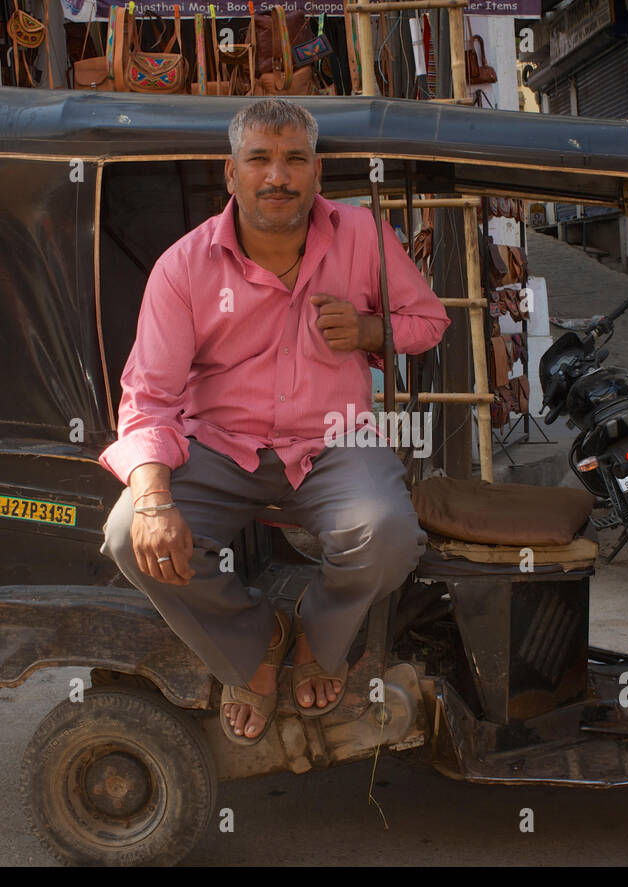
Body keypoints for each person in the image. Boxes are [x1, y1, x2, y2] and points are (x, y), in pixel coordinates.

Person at [98, 100, 450, 744]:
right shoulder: (184, 266)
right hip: (219, 446)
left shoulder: (363, 236)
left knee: (389, 533)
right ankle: (257, 646)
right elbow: (147, 397)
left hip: (333, 441)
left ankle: (319, 637)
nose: (277, 176)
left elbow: (429, 322)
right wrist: (150, 499)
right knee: (130, 535)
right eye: (259, 159)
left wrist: (371, 328)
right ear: (231, 175)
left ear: (317, 173)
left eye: (294, 159)